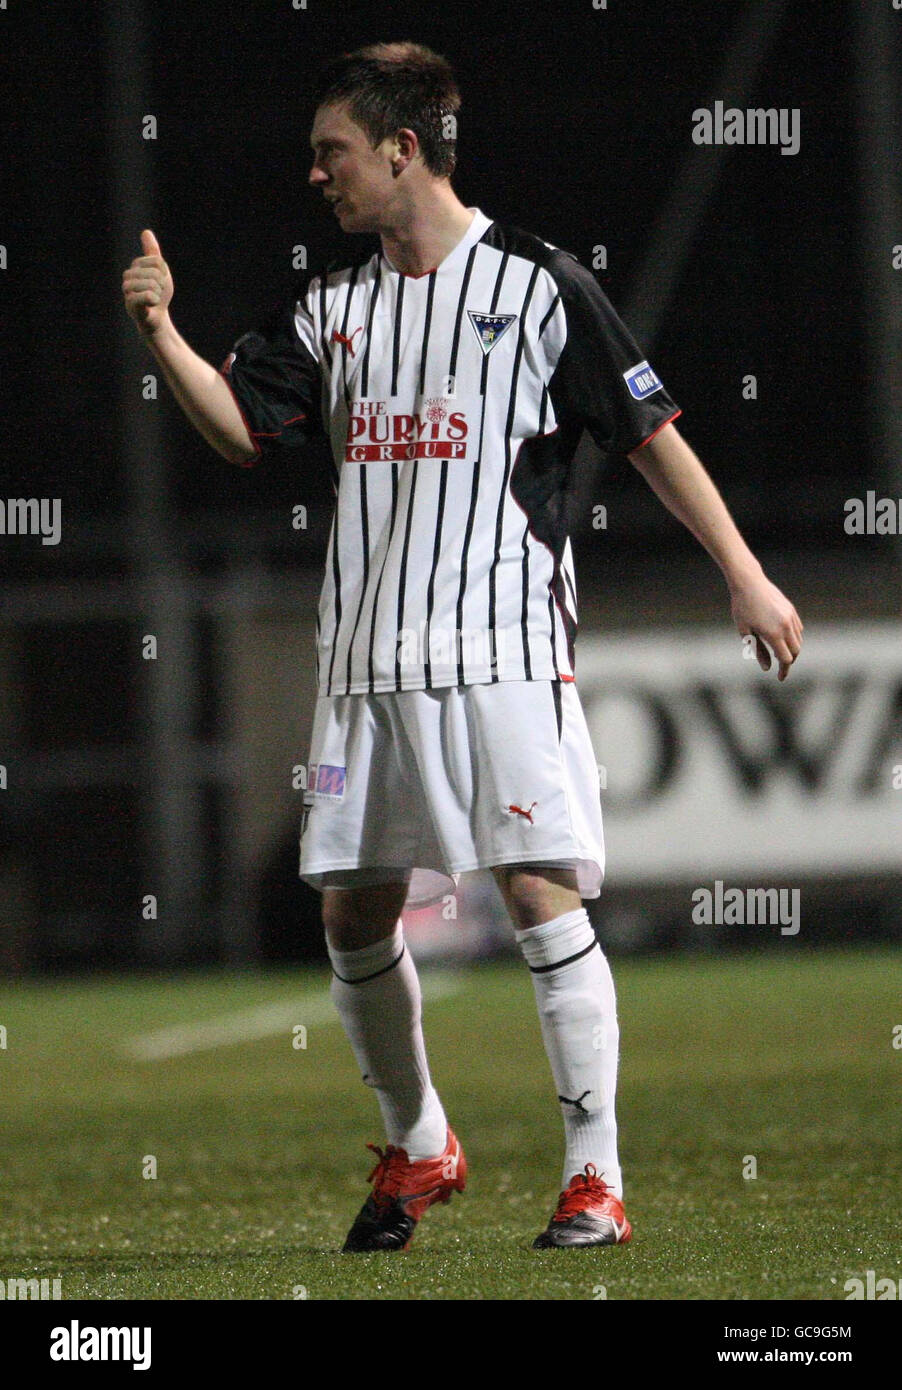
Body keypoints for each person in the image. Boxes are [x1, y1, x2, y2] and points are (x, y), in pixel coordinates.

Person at [122, 41, 803, 1253]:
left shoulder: (538, 286)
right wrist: (167, 338)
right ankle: (421, 1140)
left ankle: (593, 1178)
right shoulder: (331, 305)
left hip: (497, 649)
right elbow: (242, 430)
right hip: (363, 666)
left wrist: (743, 574)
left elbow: (648, 431)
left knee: (538, 895)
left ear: (401, 149)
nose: (316, 173)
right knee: (348, 916)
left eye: (333, 150)